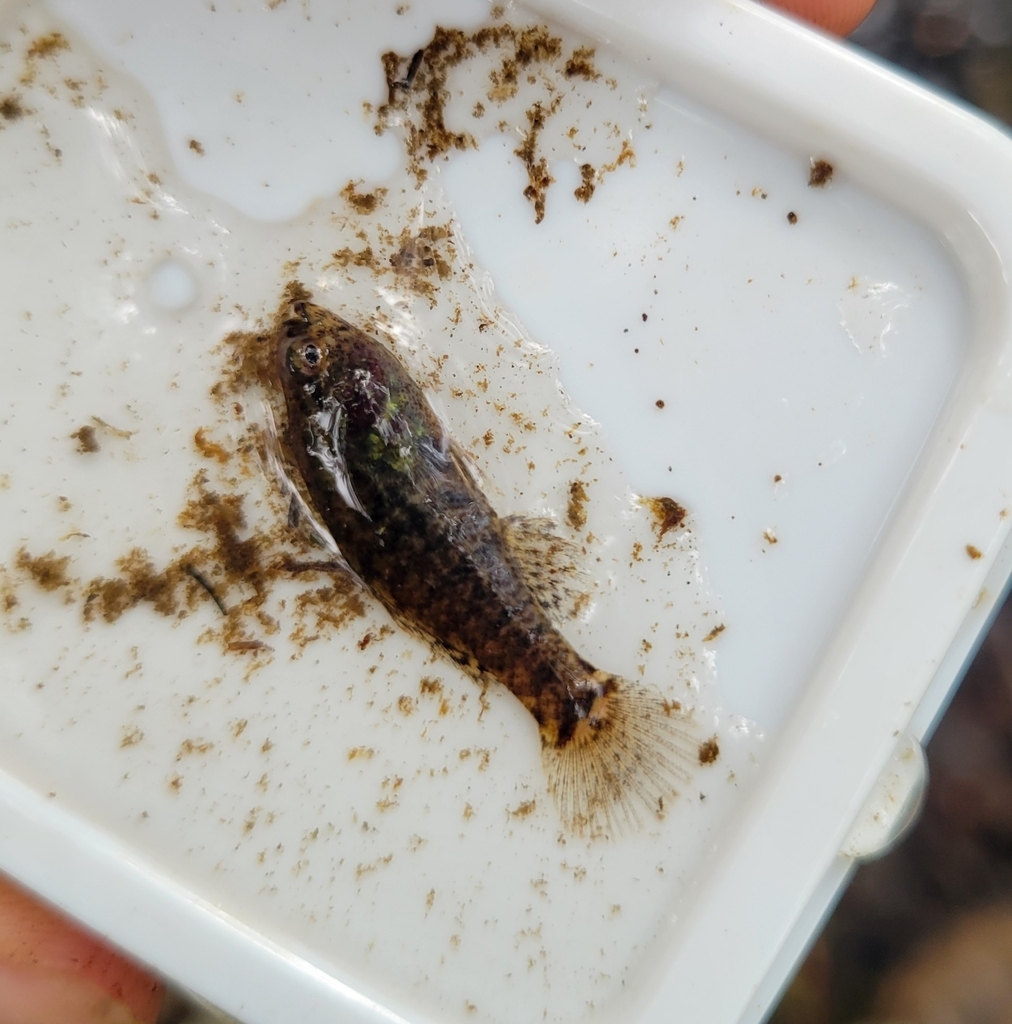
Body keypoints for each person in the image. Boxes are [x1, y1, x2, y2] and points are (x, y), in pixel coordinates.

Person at [0, 1, 876, 1020]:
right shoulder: (335, 399)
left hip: (446, 561)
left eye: (312, 353)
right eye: (311, 355)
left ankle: (570, 706)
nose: (313, 342)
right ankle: (568, 703)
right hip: (454, 561)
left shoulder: (336, 402)